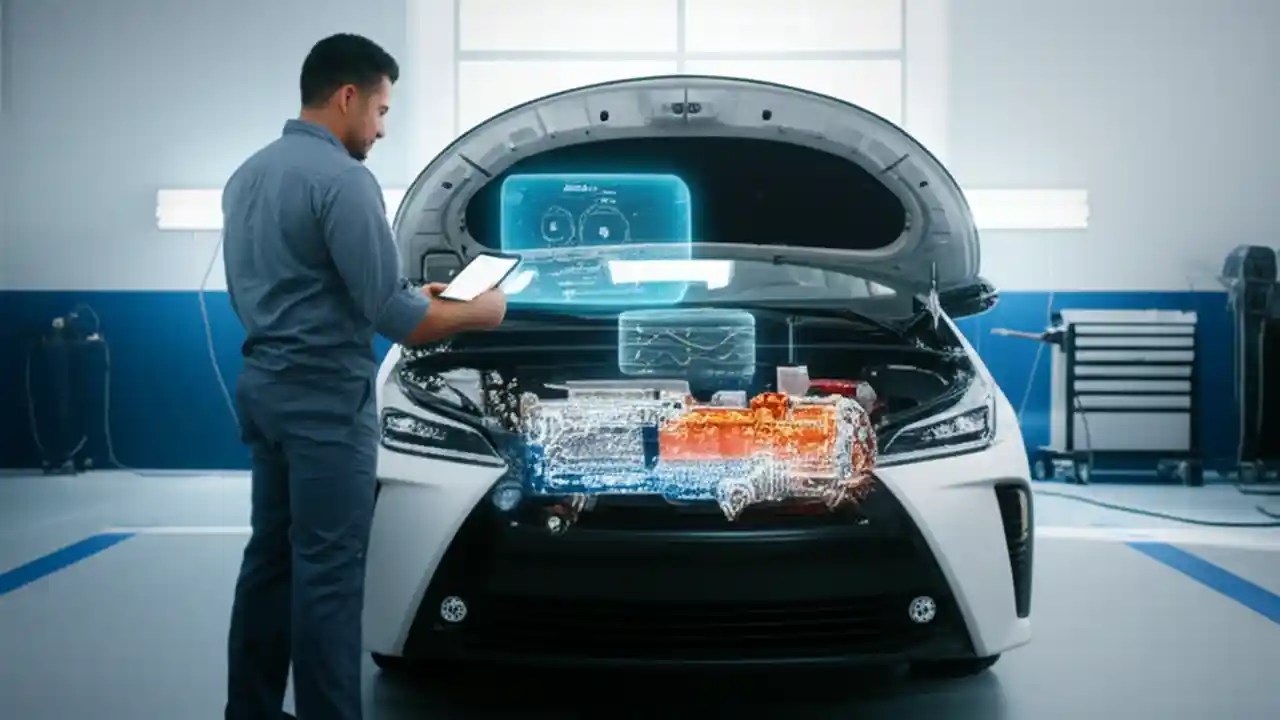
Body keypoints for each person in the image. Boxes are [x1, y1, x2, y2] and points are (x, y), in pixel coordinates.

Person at [220, 33, 506, 720]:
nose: (380, 128)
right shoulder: (345, 180)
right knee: (328, 576)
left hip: (265, 392)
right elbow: (398, 320)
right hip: (324, 405)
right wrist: (481, 311)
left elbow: (320, 286)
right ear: (347, 97)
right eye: (381, 111)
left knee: (271, 563)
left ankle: (251, 711)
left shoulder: (249, 175)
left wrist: (422, 299)